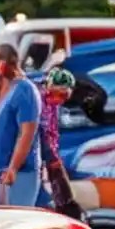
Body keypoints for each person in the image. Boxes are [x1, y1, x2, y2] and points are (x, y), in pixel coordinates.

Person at [0, 44, 43, 205]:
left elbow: (27, 133)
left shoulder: (24, 89)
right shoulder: (5, 90)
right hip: (0, 173)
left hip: (20, 173)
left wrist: (13, 168)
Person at [39, 67, 83, 217]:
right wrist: (51, 156)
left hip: (48, 154)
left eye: (65, 96)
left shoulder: (54, 107)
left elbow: (53, 132)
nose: (60, 100)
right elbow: (43, 130)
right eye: (59, 94)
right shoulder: (39, 101)